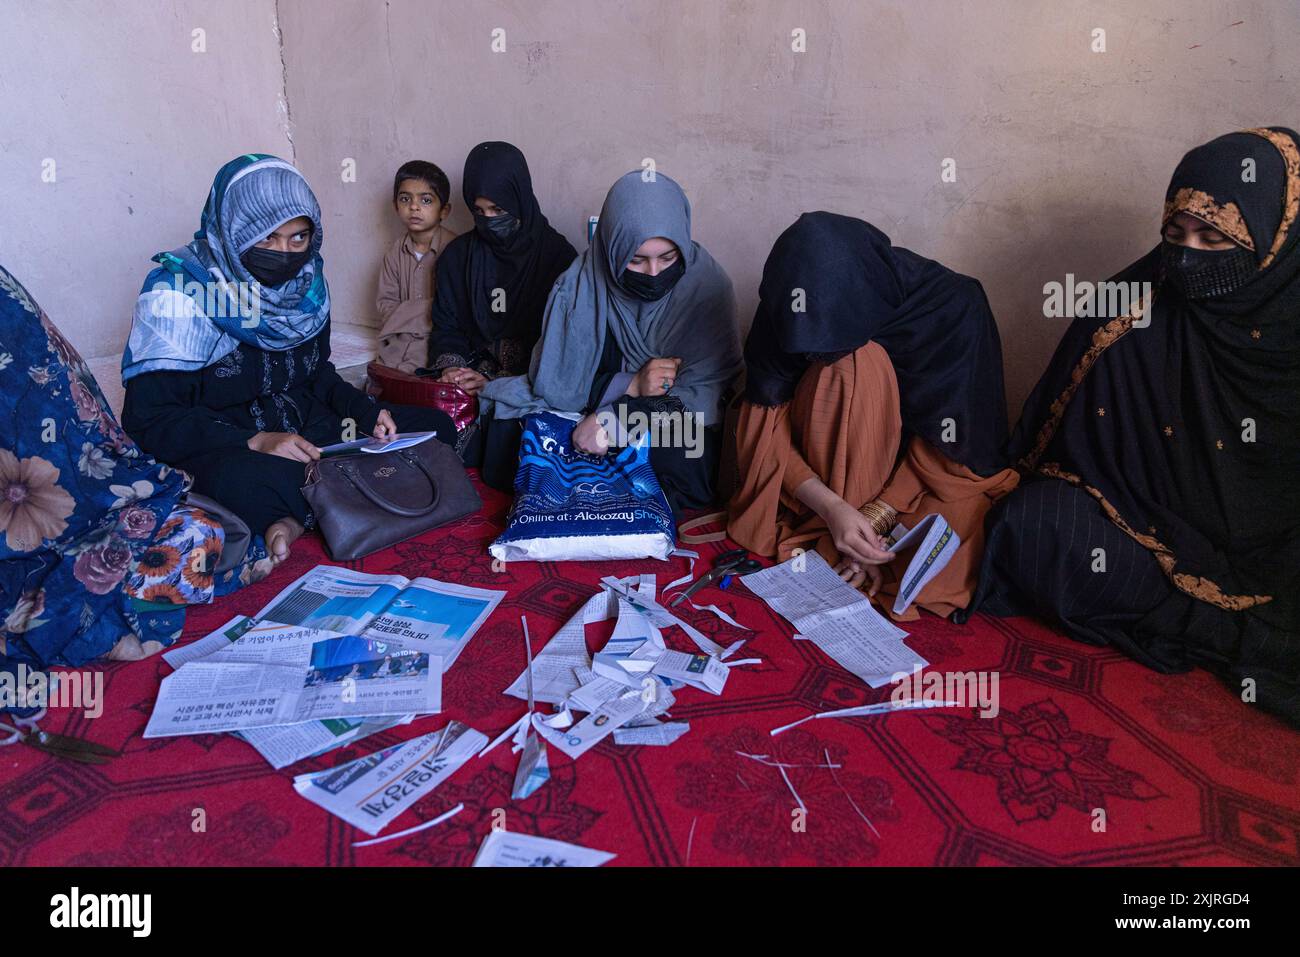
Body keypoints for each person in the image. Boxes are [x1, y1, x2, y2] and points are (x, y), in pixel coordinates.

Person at [974, 127, 1300, 725]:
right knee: (1033, 528)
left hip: (1278, 552)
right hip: (1147, 529)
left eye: (1214, 238)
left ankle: (1237, 631)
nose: (1187, 257)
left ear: (1276, 245)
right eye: (1175, 235)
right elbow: (1051, 449)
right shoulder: (1132, 304)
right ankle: (1228, 631)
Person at [121, 154, 454, 564]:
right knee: (254, 481)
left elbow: (318, 374)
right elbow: (150, 421)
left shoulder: (307, 285)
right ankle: (313, 505)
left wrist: (365, 413)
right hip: (228, 440)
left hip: (308, 427)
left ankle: (305, 509)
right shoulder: (178, 294)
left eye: (298, 238)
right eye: (267, 239)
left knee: (435, 427)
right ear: (235, 231)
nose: (285, 252)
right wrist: (257, 440)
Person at [727, 212, 1019, 618]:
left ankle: (851, 547)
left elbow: (956, 447)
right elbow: (764, 434)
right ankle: (842, 541)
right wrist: (833, 509)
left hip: (924, 478)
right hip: (822, 472)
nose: (812, 355)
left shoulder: (953, 307)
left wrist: (876, 517)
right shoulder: (787, 302)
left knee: (943, 577)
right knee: (855, 365)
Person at [481, 170, 743, 515]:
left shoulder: (707, 287)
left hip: (662, 418)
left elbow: (706, 393)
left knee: (692, 453)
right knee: (503, 434)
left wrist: (619, 420)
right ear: (612, 248)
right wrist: (631, 384)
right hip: (585, 404)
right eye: (635, 259)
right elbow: (557, 380)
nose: (653, 273)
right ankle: (615, 491)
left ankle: (586, 489)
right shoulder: (580, 285)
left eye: (667, 259)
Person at [426, 142, 576, 460]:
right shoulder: (459, 257)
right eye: (479, 212)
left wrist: (494, 381)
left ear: (520, 199)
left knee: (517, 441)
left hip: (528, 380)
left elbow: (559, 346)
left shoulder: (557, 257)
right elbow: (446, 324)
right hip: (466, 374)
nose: (489, 221)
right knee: (419, 426)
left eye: (498, 211)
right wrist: (452, 370)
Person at [375, 160, 460, 372]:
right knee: (381, 376)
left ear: (444, 210)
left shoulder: (456, 251)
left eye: (426, 200)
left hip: (441, 341)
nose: (414, 206)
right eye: (405, 199)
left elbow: (456, 313)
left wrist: (404, 314)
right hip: (399, 339)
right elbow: (386, 308)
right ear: (396, 205)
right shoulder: (394, 254)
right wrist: (432, 309)